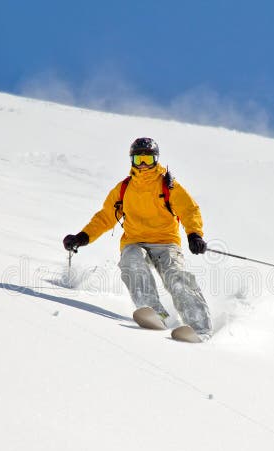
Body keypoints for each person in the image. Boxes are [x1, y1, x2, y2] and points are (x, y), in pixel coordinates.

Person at [63, 137, 212, 339]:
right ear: (132, 160)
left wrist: (194, 234)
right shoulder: (124, 188)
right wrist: (83, 237)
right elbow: (105, 217)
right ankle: (157, 314)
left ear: (156, 160)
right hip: (134, 241)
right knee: (132, 261)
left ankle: (200, 327)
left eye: (148, 159)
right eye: (138, 159)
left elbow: (189, 210)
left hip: (166, 242)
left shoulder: (168, 186)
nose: (143, 164)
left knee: (175, 275)